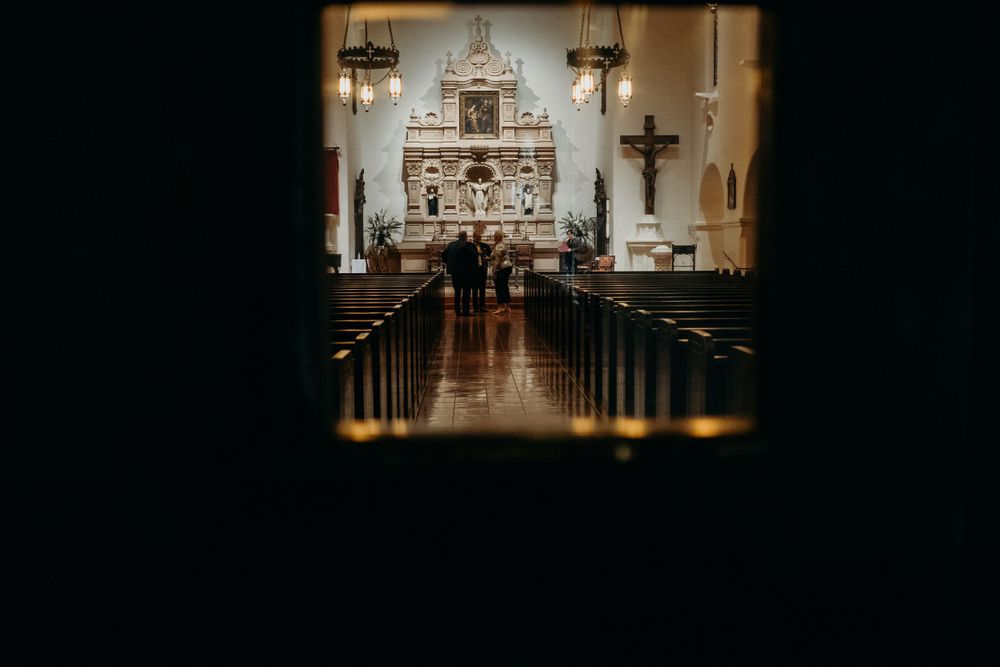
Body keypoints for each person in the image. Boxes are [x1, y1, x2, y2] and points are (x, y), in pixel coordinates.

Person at [442, 230, 477, 315]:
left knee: (457, 292)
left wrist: (449, 263)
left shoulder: (451, 245)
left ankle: (457, 311)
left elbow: (443, 255)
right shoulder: (469, 245)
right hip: (466, 272)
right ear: (465, 236)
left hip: (455, 272)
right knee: (466, 292)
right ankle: (465, 311)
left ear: (458, 236)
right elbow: (475, 256)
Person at [490, 229, 513, 315]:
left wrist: (495, 271)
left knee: (499, 287)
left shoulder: (499, 246)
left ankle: (501, 307)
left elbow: (498, 260)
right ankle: (507, 306)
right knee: (504, 287)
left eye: (494, 235)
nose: (493, 237)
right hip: (506, 267)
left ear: (497, 236)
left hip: (502, 268)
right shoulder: (501, 244)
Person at [471, 230, 491, 313]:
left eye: (480, 237)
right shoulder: (470, 246)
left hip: (483, 269)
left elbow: (491, 256)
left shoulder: (485, 245)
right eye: (477, 237)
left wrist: (486, 257)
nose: (479, 238)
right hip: (473, 270)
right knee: (474, 289)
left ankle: (482, 306)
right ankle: (475, 307)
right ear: (473, 237)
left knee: (482, 289)